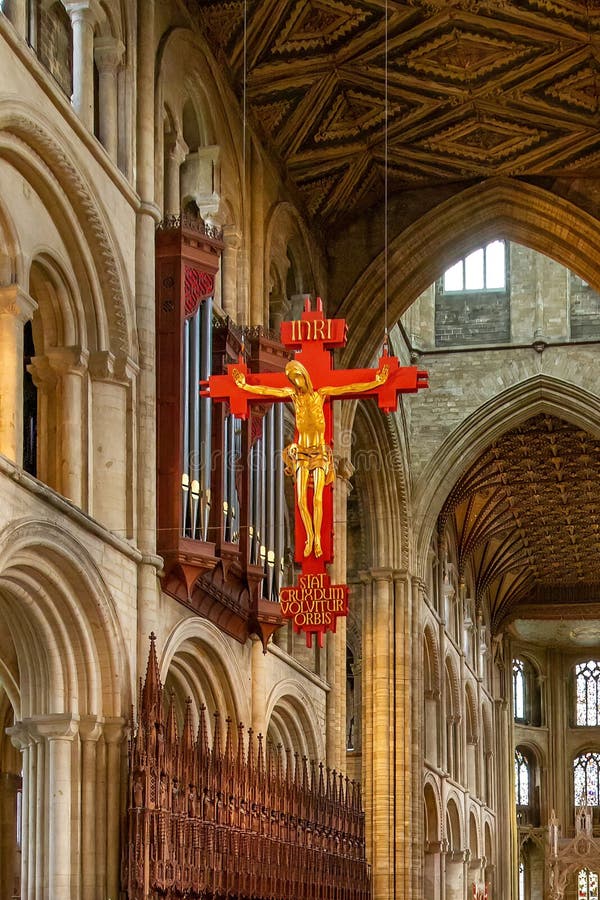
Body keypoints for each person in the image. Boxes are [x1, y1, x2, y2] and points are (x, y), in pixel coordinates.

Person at [232, 359, 388, 558]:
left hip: (320, 453)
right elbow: (268, 392)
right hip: (301, 454)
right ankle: (309, 537)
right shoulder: (293, 397)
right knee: (300, 500)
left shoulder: (320, 395)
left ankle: (316, 539)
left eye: (298, 378)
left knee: (317, 498)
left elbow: (349, 387)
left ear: (304, 376)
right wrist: (243, 385)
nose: (296, 384)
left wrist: (377, 382)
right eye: (293, 380)